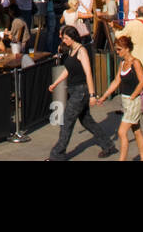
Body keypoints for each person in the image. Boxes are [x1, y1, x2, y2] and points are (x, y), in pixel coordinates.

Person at [46, 26, 116, 161]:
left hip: (81, 91)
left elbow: (88, 73)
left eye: (66, 38)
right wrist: (56, 83)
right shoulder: (71, 50)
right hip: (74, 90)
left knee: (67, 120)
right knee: (86, 121)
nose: (64, 40)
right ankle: (108, 145)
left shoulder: (81, 51)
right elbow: (68, 70)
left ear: (73, 38)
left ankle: (57, 154)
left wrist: (92, 95)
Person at [94, 34, 143, 162]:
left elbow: (142, 82)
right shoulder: (123, 63)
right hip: (126, 101)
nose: (117, 52)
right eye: (116, 49)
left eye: (119, 49)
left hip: (133, 102)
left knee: (121, 132)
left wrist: (133, 96)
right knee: (136, 130)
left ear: (127, 49)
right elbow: (116, 81)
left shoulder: (136, 63)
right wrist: (104, 97)